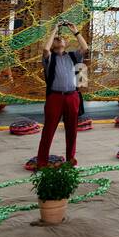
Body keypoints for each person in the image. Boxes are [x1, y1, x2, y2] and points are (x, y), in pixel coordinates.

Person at [36, 21, 89, 168]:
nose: (59, 39)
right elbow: (45, 49)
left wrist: (75, 30)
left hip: (72, 96)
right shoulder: (50, 58)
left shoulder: (73, 57)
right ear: (53, 44)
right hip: (55, 97)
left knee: (72, 130)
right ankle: (41, 162)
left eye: (61, 38)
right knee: (49, 130)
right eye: (56, 40)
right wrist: (54, 30)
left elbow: (85, 47)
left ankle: (70, 159)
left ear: (66, 43)